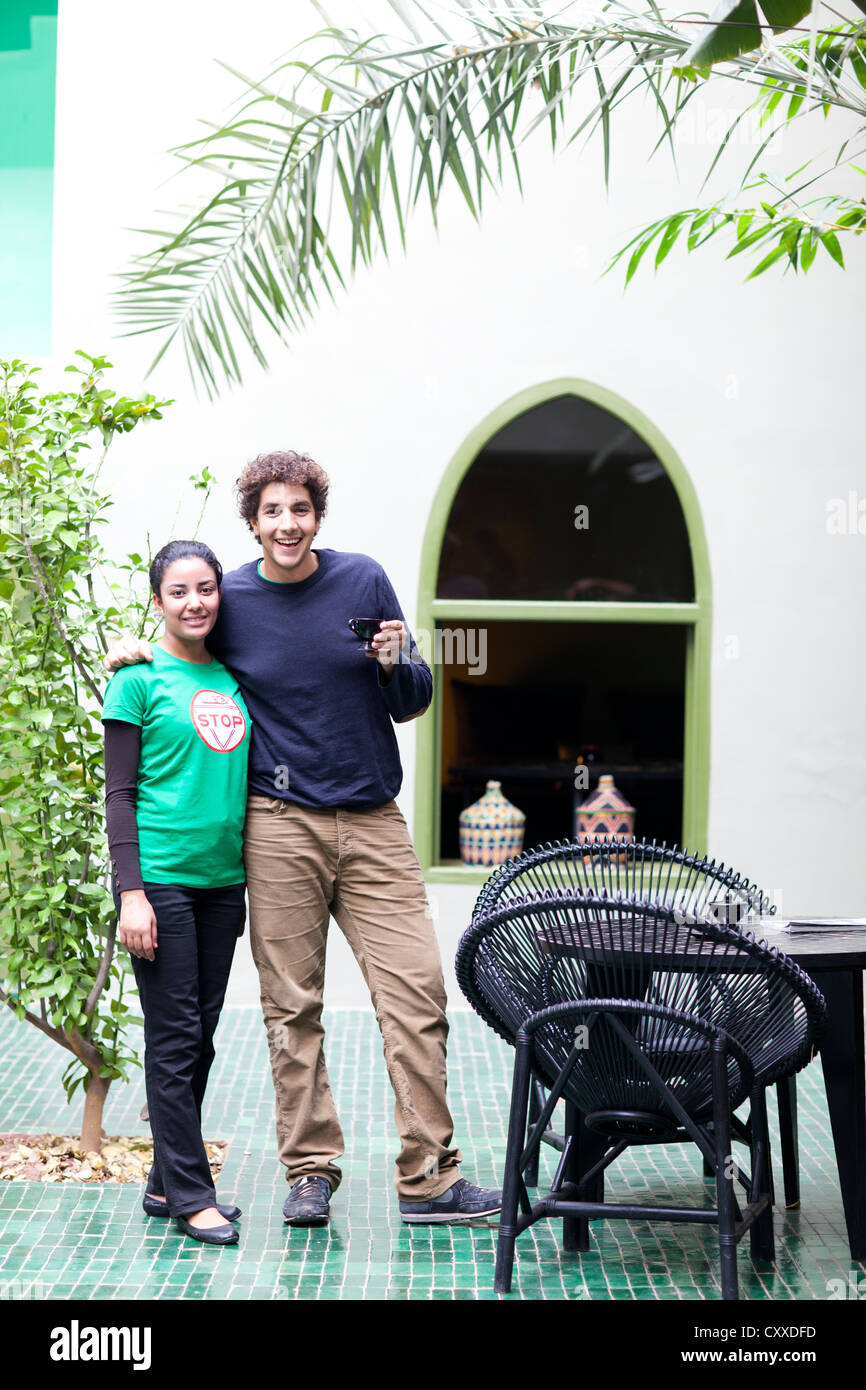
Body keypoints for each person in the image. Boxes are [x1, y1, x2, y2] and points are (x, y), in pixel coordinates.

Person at [105, 452, 501, 1228]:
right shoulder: (234, 598)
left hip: (373, 820)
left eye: (301, 509)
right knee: (293, 1007)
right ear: (252, 523)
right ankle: (309, 1171)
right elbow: (184, 650)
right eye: (272, 511)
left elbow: (415, 698)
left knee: (416, 994)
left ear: (318, 515)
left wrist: (396, 666)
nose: (288, 523)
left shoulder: (364, 581)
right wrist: (131, 649)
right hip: (277, 825)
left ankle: (429, 1176)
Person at [102, 540, 250, 1246]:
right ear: (157, 600)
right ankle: (193, 1196)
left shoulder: (231, 676)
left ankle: (166, 1179)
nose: (196, 602)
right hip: (160, 880)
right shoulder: (135, 678)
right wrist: (131, 893)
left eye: (207, 588)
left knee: (201, 1039)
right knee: (174, 1039)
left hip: (223, 884)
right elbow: (120, 794)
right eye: (180, 591)